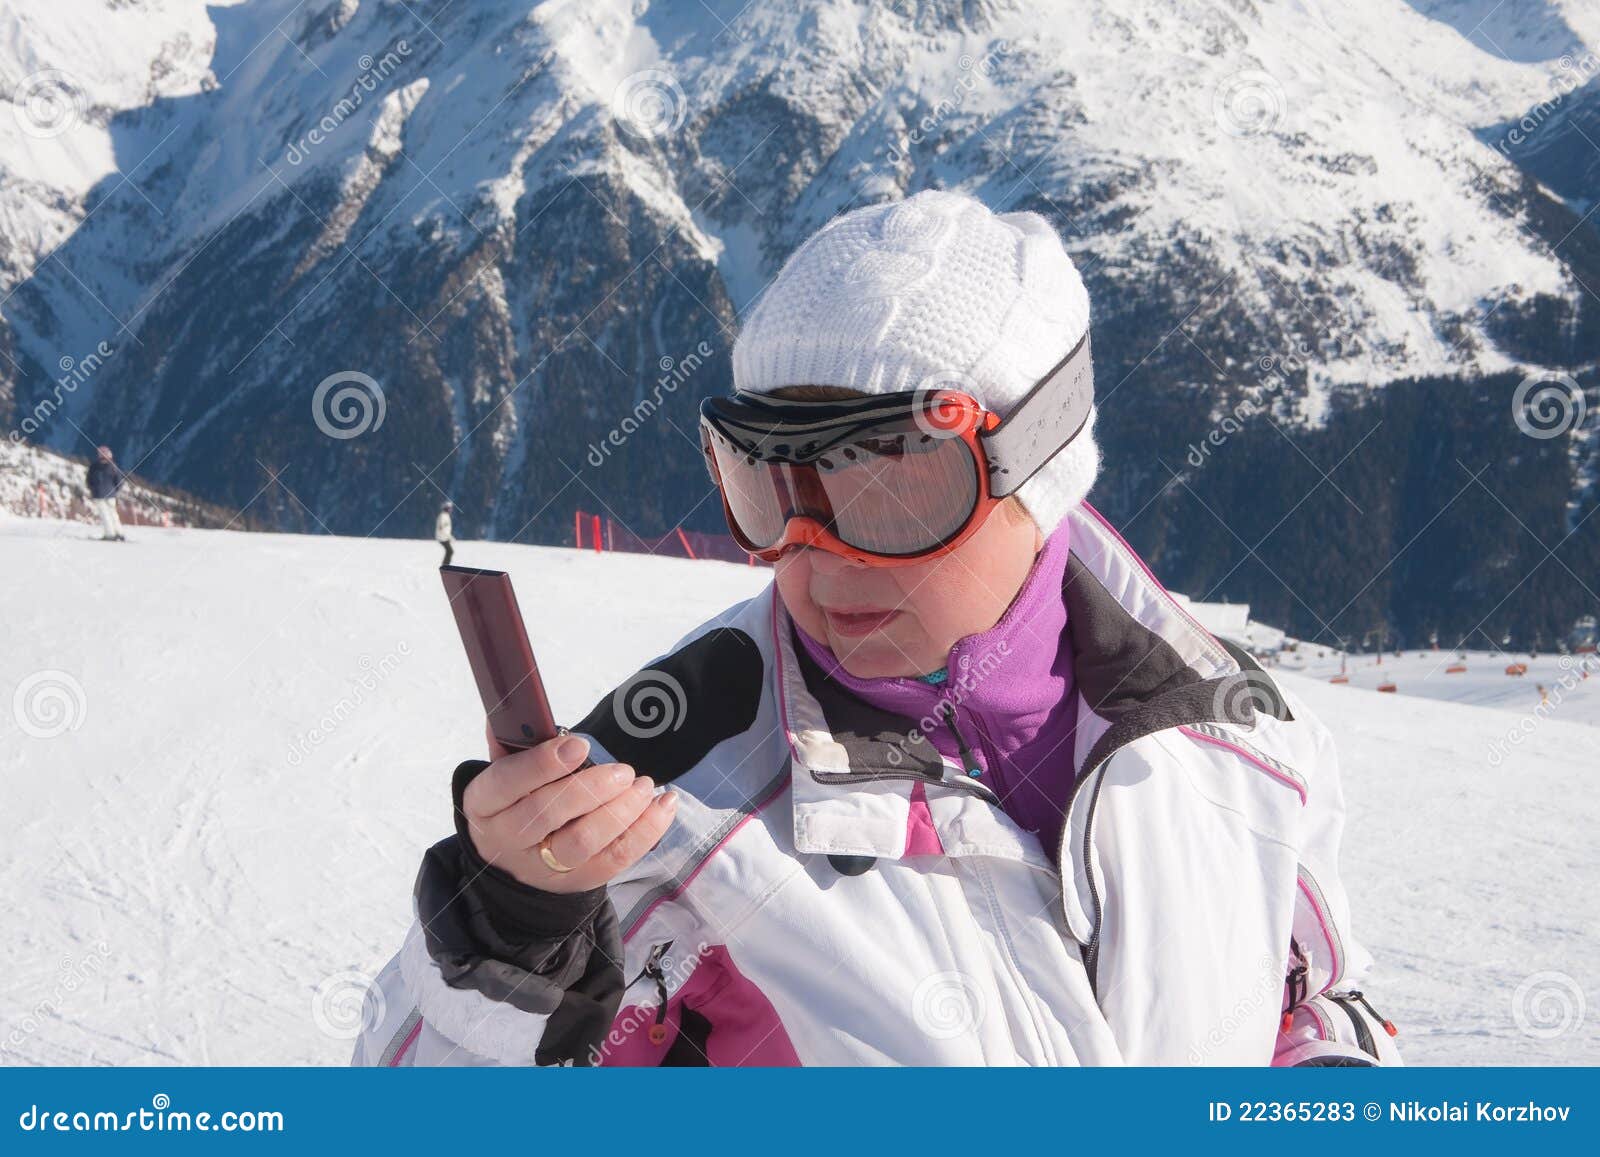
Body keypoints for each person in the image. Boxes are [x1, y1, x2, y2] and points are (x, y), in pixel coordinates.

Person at [353, 190, 1400, 1067]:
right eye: (768, 489)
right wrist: (511, 935)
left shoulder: (1231, 729)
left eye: (894, 490)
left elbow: (1300, 991)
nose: (816, 555)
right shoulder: (666, 795)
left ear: (1037, 468)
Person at [86, 445, 126, 541]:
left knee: (105, 515)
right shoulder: (113, 467)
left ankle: (109, 534)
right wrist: (115, 491)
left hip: (99, 494)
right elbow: (119, 481)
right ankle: (119, 533)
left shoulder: (94, 467)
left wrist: (93, 489)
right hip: (111, 494)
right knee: (113, 514)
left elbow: (89, 480)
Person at [436, 501, 455, 566]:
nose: (451, 510)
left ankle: (445, 566)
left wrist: (449, 536)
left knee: (449, 551)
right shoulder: (443, 515)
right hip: (442, 538)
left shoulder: (446, 515)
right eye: (450, 508)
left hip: (444, 537)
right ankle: (445, 566)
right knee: (450, 551)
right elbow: (441, 527)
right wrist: (448, 537)